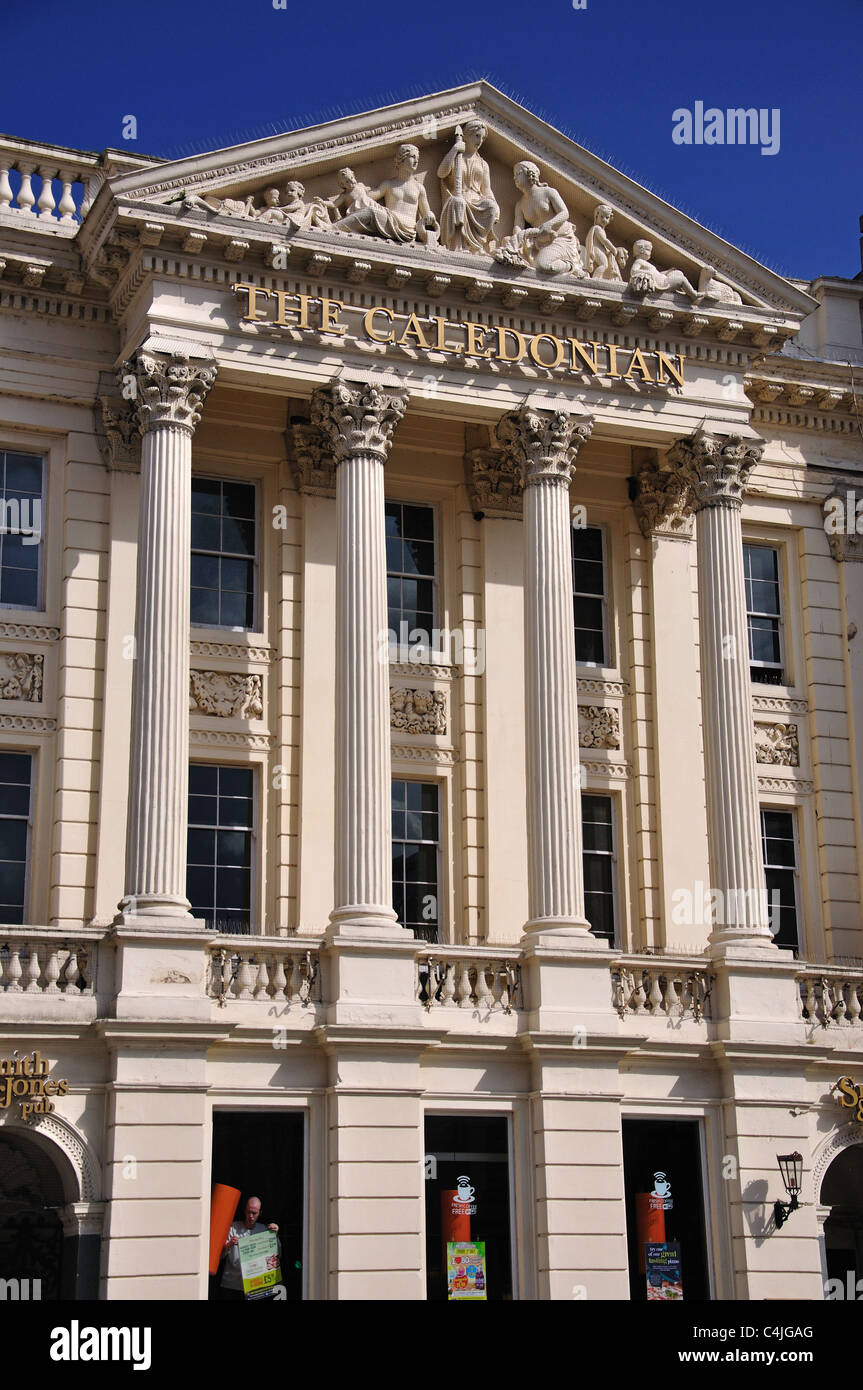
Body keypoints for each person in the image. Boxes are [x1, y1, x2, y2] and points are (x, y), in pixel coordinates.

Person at [332, 144, 438, 245]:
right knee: (367, 204)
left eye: (417, 159)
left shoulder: (419, 188)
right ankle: (339, 227)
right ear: (401, 159)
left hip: (408, 227)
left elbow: (426, 212)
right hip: (389, 221)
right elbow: (369, 197)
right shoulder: (388, 184)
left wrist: (430, 215)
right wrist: (357, 189)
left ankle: (334, 228)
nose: (416, 161)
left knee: (372, 211)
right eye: (412, 157)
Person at [494, 161, 584, 275]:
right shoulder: (520, 204)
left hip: (560, 238)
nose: (514, 177)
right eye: (514, 174)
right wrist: (518, 238)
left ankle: (572, 266)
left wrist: (550, 224)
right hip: (539, 240)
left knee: (543, 264)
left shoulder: (548, 192)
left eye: (518, 173)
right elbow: (518, 226)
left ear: (529, 173)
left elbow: (564, 213)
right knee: (506, 241)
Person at [436, 120, 500, 254]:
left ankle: (477, 246)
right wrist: (454, 149)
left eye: (482, 137)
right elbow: (441, 173)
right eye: (477, 136)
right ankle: (459, 245)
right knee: (459, 203)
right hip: (457, 198)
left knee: (491, 207)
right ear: (466, 135)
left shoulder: (483, 164)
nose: (480, 140)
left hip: (477, 201)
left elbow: (486, 189)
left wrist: (494, 204)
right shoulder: (456, 157)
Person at [218, 1195, 281, 1301]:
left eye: (254, 1213)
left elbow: (277, 1255)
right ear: (244, 1211)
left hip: (256, 1286)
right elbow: (219, 1257)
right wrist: (229, 1245)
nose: (251, 1216)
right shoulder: (232, 1228)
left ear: (260, 1213)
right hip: (232, 1285)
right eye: (249, 1212)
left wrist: (275, 1236)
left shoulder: (264, 1230)